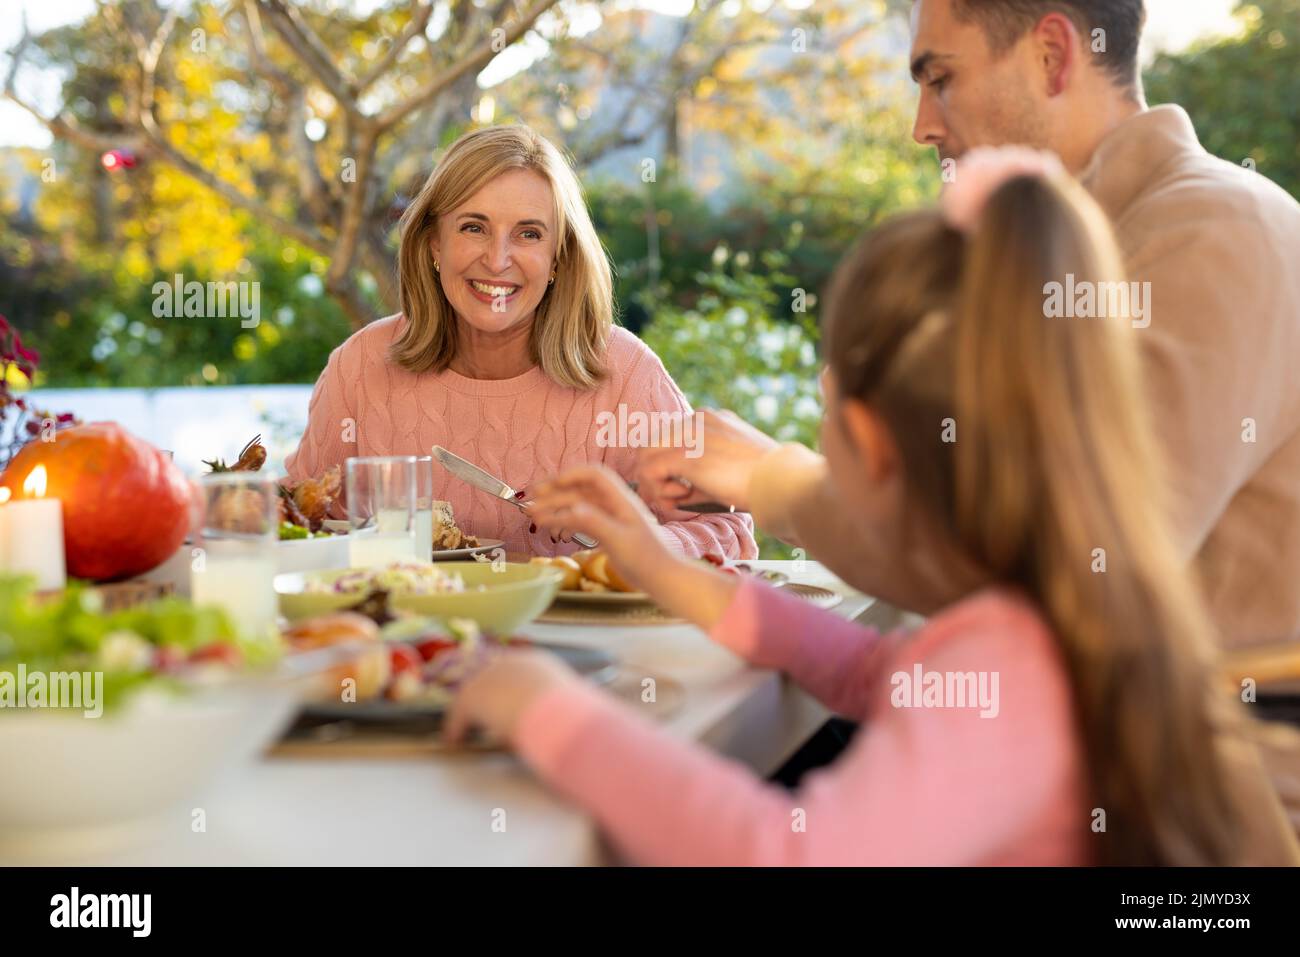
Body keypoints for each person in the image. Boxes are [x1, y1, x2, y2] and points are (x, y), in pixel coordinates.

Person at [445, 156, 1298, 865]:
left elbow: (780, 853)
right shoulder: (1050, 622)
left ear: (865, 437)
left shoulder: (1011, 663)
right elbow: (868, 671)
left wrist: (544, 706)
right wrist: (658, 564)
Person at [637, 0, 1300, 648]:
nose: (922, 126)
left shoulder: (1217, 233)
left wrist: (772, 480)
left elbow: (1063, 567)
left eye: (941, 79)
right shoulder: (1063, 259)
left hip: (1209, 753)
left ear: (1052, 56)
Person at [284, 125, 755, 559]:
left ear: (557, 258)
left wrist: (630, 540)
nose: (497, 259)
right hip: (409, 637)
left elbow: (726, 532)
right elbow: (297, 524)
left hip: (584, 648)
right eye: (474, 227)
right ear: (433, 244)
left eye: (528, 234)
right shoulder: (361, 365)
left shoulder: (625, 372)